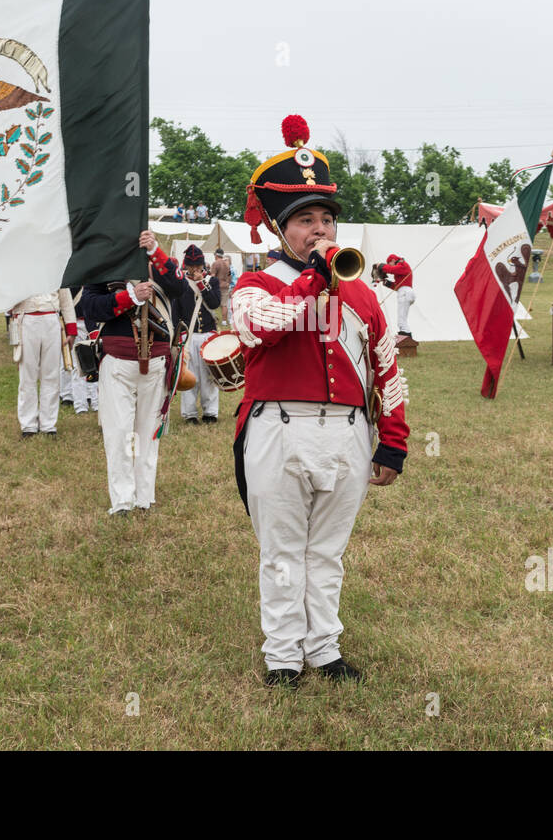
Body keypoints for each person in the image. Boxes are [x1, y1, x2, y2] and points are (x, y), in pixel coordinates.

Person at [234, 113, 409, 688]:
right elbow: (264, 329)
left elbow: (386, 365)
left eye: (326, 218)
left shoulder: (363, 291)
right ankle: (283, 656)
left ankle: (324, 649)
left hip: (348, 433)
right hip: (279, 428)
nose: (319, 229)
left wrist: (394, 443)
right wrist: (314, 276)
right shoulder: (254, 285)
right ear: (282, 229)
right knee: (283, 551)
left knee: (327, 552)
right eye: (305, 219)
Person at [79, 230, 187, 515]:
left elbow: (178, 288)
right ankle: (123, 500)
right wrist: (129, 297)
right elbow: (90, 307)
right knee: (118, 433)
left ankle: (143, 497)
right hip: (117, 360)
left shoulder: (160, 262)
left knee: (148, 434)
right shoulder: (104, 264)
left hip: (156, 363)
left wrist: (154, 251)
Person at [9, 288, 77, 438]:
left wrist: (71, 327)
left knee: (51, 375)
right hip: (26, 317)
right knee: (27, 375)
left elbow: (65, 297)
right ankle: (28, 425)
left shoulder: (55, 266)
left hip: (51, 317)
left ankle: (48, 424)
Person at [175, 245, 222, 424]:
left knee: (209, 376)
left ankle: (210, 412)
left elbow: (215, 302)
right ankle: (190, 414)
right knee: (189, 376)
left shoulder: (212, 281)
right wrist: (178, 337)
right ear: (186, 266)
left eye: (197, 266)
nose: (195, 269)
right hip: (188, 336)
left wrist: (202, 283)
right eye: (191, 266)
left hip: (208, 334)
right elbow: (176, 312)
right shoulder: (180, 284)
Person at [60, 288, 99, 416]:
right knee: (78, 365)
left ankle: (94, 401)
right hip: (77, 321)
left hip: (91, 322)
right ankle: (80, 404)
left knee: (93, 363)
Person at [377, 253, 416, 337]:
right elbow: (397, 286)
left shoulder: (402, 264)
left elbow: (391, 269)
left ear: (393, 260)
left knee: (401, 320)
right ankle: (405, 338)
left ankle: (406, 338)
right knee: (402, 319)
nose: (388, 265)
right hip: (405, 292)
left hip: (405, 293)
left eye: (389, 263)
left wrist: (380, 265)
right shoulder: (400, 269)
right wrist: (387, 283)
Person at [210, 248, 233, 322]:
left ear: (216, 255)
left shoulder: (215, 263)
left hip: (217, 286)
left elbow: (212, 276)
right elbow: (230, 276)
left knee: (212, 303)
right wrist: (228, 283)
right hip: (225, 286)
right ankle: (224, 321)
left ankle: (213, 319)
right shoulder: (227, 265)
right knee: (224, 304)